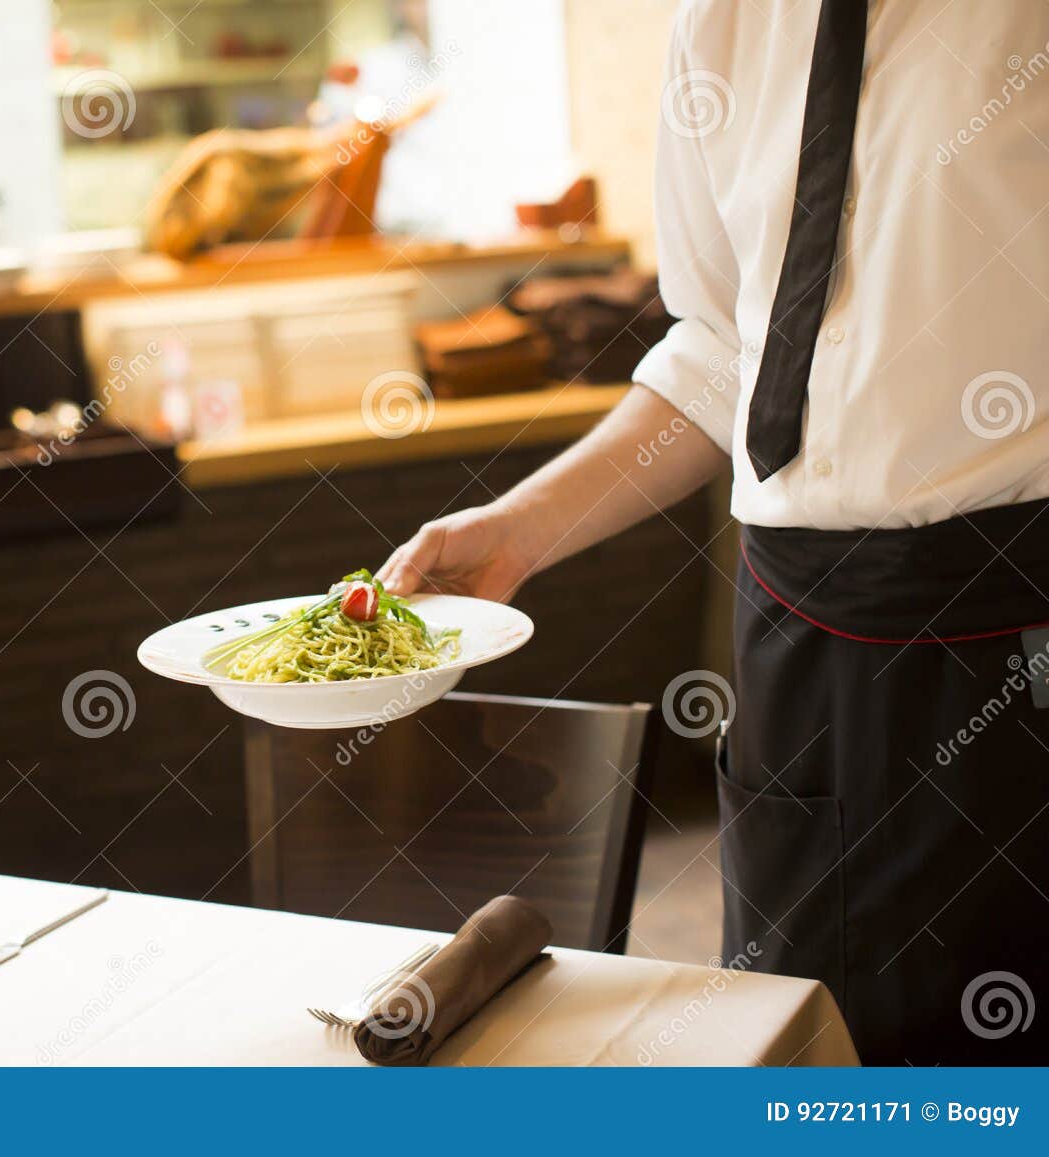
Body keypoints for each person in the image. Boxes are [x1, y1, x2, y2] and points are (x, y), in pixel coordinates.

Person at [379, 0, 1049, 1065]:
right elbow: (727, 345)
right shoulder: (725, 19)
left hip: (1014, 624)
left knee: (996, 1079)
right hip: (796, 634)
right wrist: (520, 529)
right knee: (800, 1046)